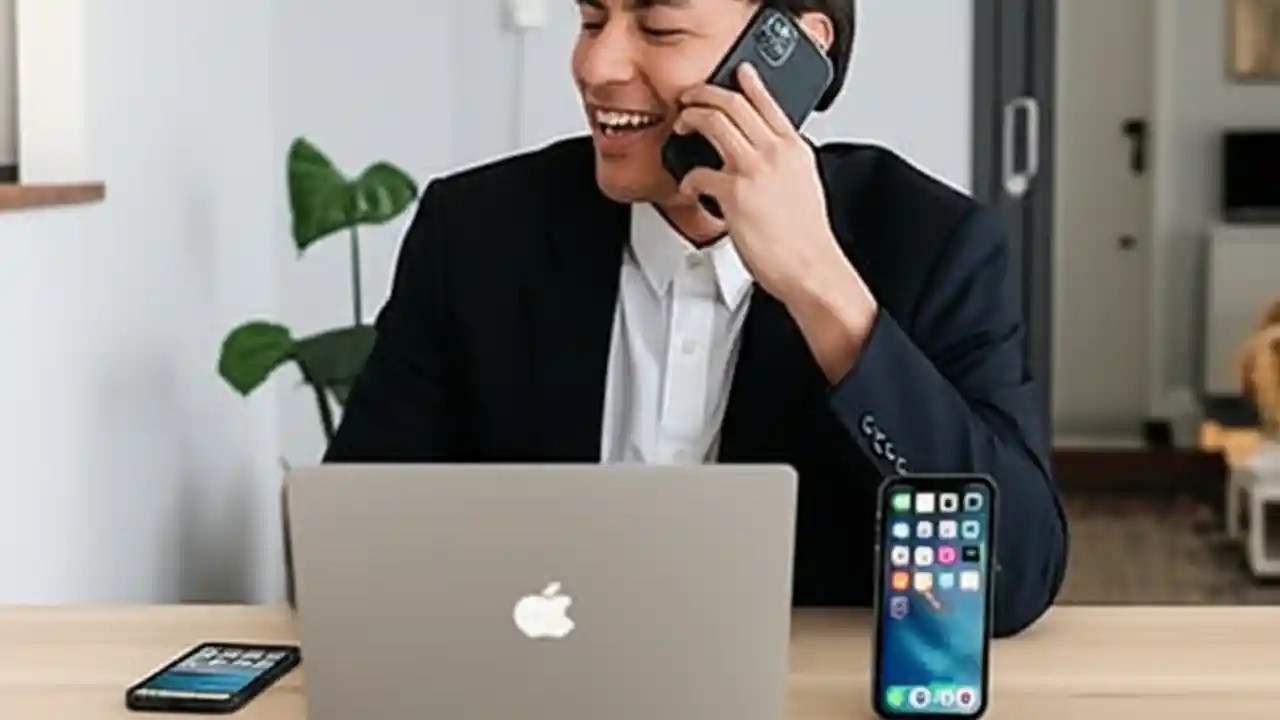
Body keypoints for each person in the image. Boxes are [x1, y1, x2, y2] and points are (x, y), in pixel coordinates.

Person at [324, 0, 1068, 636]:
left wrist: (822, 289)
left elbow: (1014, 575)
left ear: (794, 49)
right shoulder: (476, 234)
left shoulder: (931, 246)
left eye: (659, 28)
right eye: (591, 19)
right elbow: (349, 545)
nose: (596, 65)